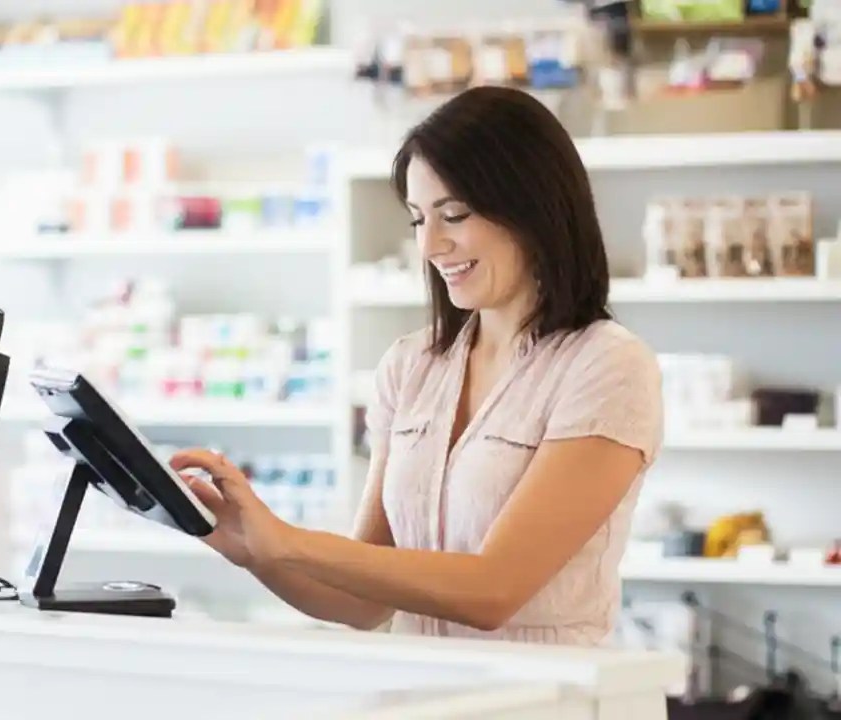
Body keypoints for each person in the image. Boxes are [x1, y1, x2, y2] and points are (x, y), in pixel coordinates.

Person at [171, 86, 663, 646]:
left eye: (454, 215)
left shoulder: (606, 366)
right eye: (417, 220)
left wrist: (288, 540)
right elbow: (361, 601)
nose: (430, 245)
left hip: (545, 700)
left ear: (535, 208)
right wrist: (250, 550)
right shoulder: (411, 366)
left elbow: (493, 591)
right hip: (425, 693)